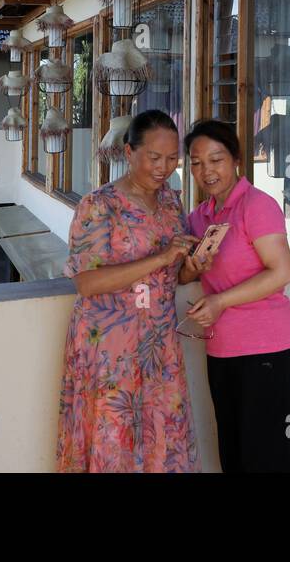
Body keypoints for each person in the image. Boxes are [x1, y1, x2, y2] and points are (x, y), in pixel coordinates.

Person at [56, 109, 200, 472]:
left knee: (161, 438)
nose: (163, 167)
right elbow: (87, 282)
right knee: (114, 436)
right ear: (128, 152)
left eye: (171, 159)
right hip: (110, 349)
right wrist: (162, 257)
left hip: (159, 343)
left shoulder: (170, 200)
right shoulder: (99, 205)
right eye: (154, 157)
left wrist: (190, 267)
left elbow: (172, 276)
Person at [181, 118, 290, 472]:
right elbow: (183, 274)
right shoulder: (199, 217)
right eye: (197, 162)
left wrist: (220, 301)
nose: (206, 171)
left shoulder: (256, 205)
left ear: (236, 160)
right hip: (221, 348)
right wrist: (194, 267)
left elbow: (282, 272)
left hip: (267, 350)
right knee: (234, 454)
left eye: (216, 159)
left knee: (269, 457)